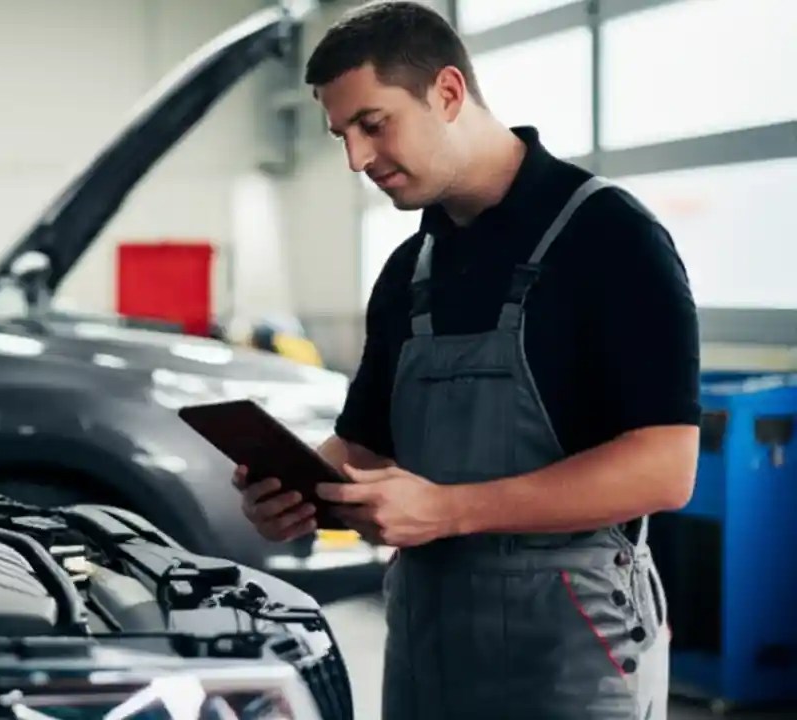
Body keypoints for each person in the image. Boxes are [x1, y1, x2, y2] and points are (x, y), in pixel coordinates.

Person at [231, 2, 701, 718]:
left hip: (572, 644)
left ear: (448, 93)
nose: (357, 159)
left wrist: (449, 511)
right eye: (341, 136)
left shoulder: (611, 239)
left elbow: (666, 468)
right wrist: (301, 489)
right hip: (428, 638)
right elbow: (361, 445)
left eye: (373, 124)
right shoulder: (406, 272)